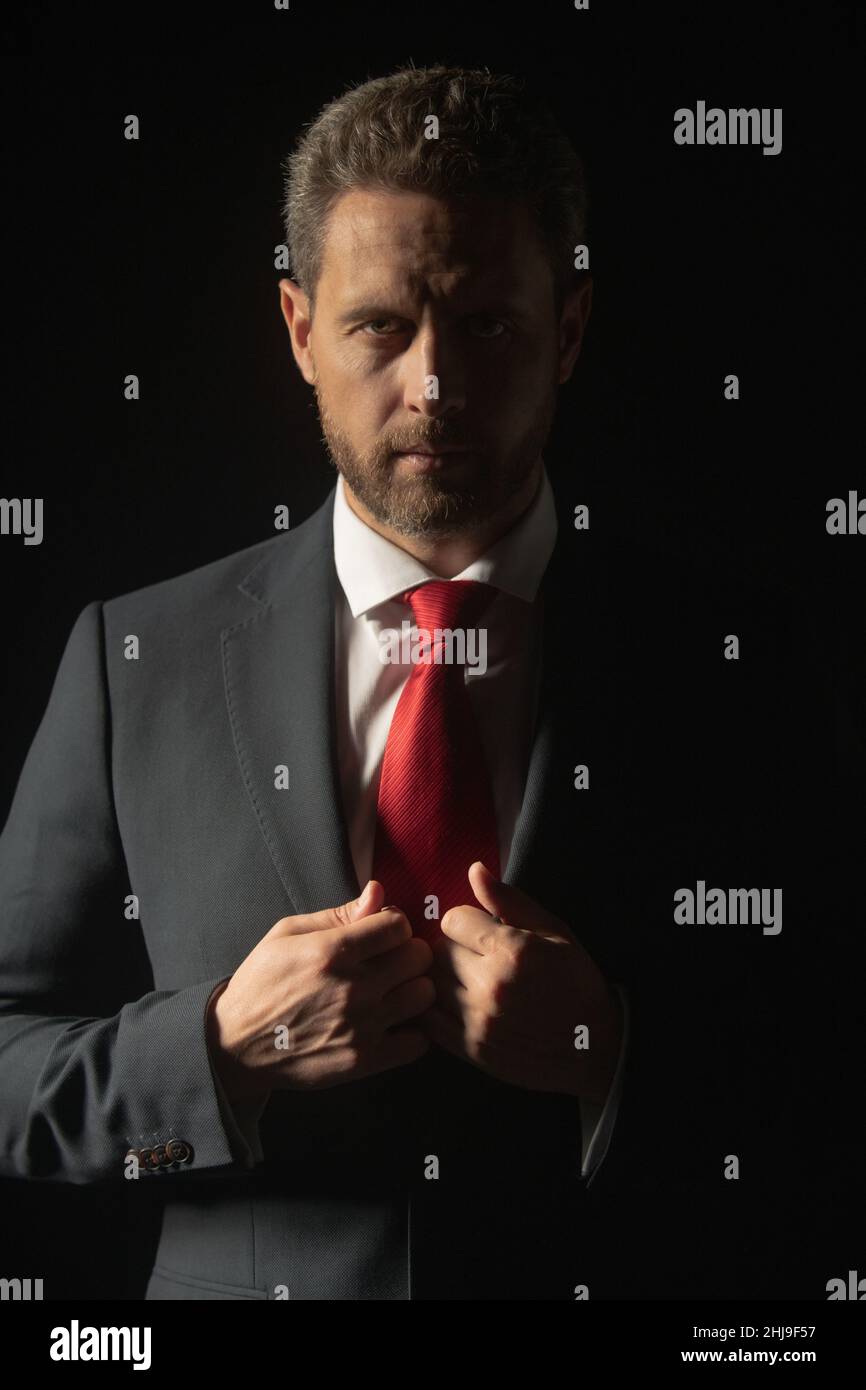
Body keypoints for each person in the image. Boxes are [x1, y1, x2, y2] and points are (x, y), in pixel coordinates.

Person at [0, 64, 825, 1300]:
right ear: (297, 331)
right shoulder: (135, 658)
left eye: (485, 322)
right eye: (380, 325)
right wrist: (215, 1056)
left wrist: (612, 1055)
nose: (431, 383)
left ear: (569, 329)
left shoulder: (746, 665)